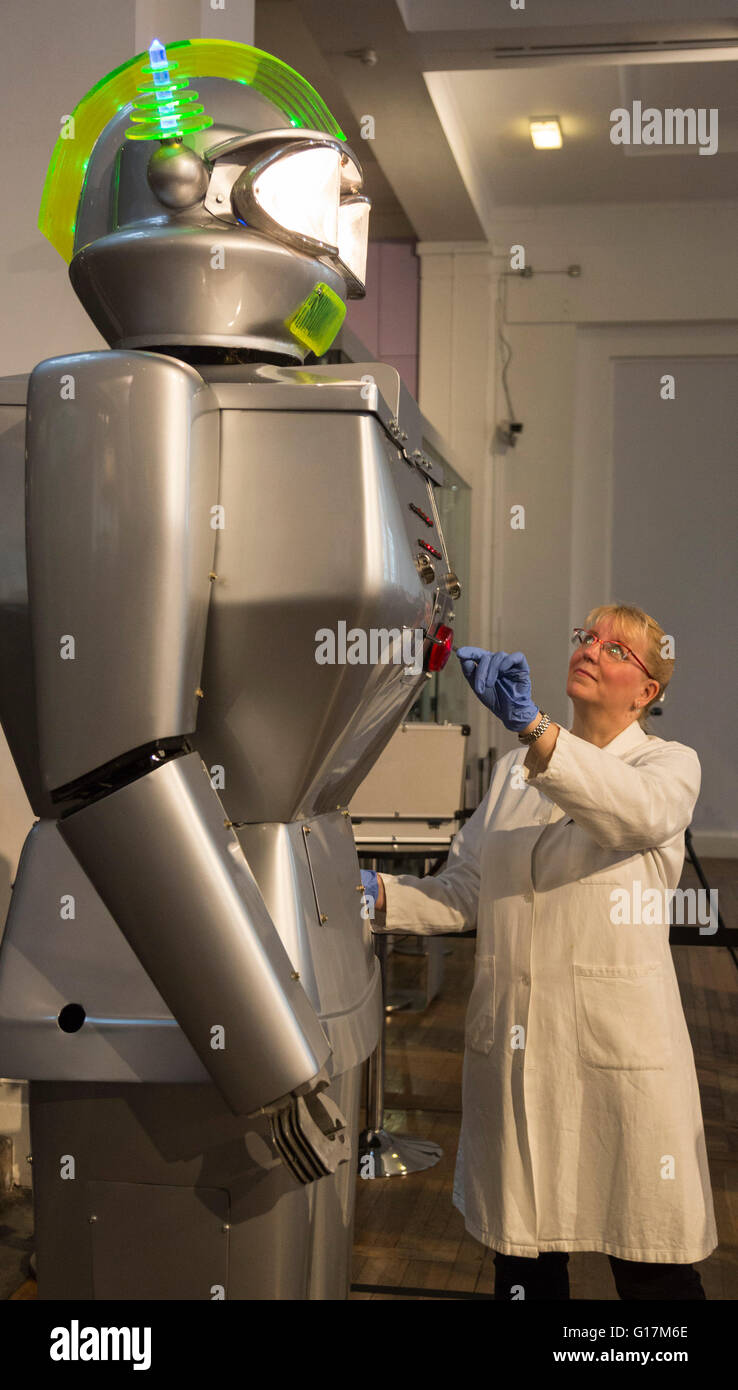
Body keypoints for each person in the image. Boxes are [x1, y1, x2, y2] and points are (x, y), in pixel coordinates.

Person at [361, 604, 717, 1301]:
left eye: (616, 649)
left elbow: (630, 814)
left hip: (616, 1058)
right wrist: (374, 895)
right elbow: (466, 890)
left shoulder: (668, 766)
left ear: (647, 691)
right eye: (585, 637)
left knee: (650, 1268)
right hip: (519, 1055)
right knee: (522, 1263)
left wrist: (536, 730)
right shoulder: (510, 776)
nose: (590, 649)